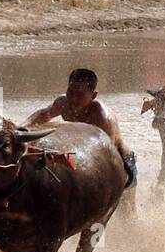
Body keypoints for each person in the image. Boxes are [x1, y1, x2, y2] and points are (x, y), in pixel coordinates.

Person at [24, 68, 138, 196]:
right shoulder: (63, 103)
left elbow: (104, 156)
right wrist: (21, 127)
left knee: (127, 211)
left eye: (80, 95)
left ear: (93, 95)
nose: (73, 98)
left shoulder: (102, 119)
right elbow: (43, 114)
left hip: (119, 162)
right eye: (70, 92)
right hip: (88, 153)